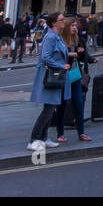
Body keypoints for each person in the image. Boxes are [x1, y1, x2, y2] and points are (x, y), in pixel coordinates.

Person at [28, 14, 71, 151]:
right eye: (61, 20)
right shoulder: (51, 37)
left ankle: (44, 138)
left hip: (55, 77)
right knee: (48, 110)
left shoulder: (57, 36)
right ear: (54, 23)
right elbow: (45, 57)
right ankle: (34, 139)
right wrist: (61, 66)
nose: (64, 21)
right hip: (50, 76)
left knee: (50, 109)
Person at [55, 15, 93, 142]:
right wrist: (71, 54)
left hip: (75, 75)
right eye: (72, 26)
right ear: (66, 27)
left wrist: (80, 43)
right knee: (62, 105)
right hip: (64, 76)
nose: (75, 28)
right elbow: (58, 56)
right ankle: (60, 133)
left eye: (76, 26)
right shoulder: (60, 40)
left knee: (79, 103)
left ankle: (81, 133)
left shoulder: (77, 39)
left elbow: (83, 53)